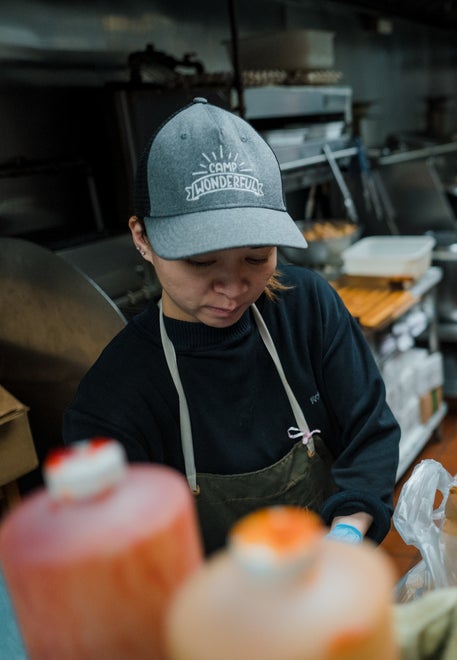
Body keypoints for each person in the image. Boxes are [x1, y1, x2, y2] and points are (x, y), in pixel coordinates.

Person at [62, 98, 400, 555]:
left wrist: (346, 534)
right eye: (201, 263)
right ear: (142, 238)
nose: (233, 288)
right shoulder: (115, 396)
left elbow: (371, 434)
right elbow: (115, 552)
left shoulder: (306, 307)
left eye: (257, 258)